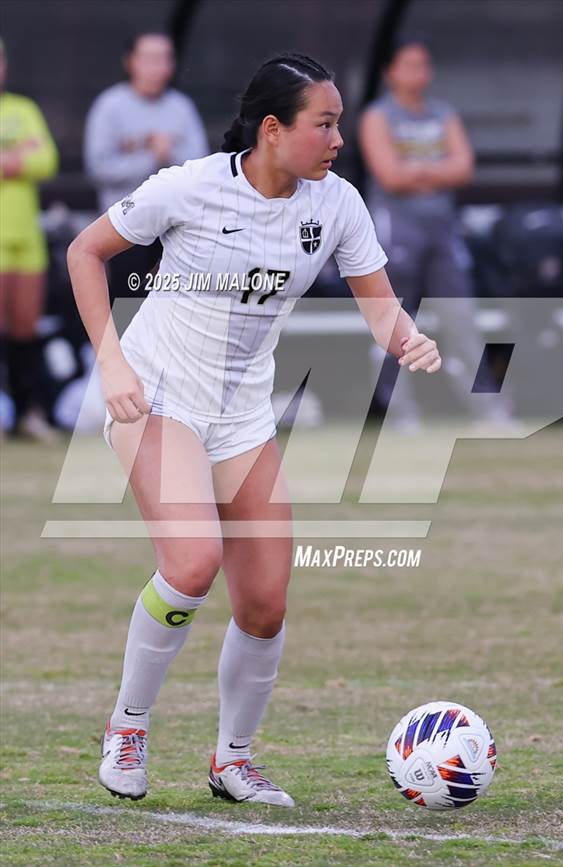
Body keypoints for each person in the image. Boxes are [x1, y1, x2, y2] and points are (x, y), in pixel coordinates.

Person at [67, 53, 442, 808]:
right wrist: (111, 364)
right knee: (194, 559)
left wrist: (406, 339)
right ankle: (129, 727)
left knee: (266, 602)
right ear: (273, 130)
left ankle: (232, 760)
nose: (338, 139)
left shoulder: (335, 203)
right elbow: (86, 252)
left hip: (242, 413)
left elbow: (378, 304)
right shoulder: (190, 186)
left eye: (339, 122)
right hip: (158, 394)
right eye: (324, 124)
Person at [360, 39, 505, 427]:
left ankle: (488, 410)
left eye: (424, 64)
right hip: (397, 233)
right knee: (394, 321)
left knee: (461, 321)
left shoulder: (443, 114)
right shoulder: (378, 116)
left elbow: (463, 167)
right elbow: (389, 175)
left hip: (443, 232)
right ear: (390, 71)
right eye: (409, 64)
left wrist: (417, 172)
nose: (418, 73)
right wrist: (435, 171)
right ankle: (400, 414)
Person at [84, 31, 208, 300]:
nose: (157, 67)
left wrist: (166, 153)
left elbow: (201, 164)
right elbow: (99, 167)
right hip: (123, 228)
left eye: (164, 59)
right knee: (128, 303)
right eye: (150, 58)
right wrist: (149, 156)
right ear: (130, 62)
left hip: (176, 229)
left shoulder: (181, 107)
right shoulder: (110, 106)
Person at [0, 38, 59, 441]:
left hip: (27, 239)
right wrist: (20, 155)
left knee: (25, 328)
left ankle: (28, 413)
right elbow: (29, 157)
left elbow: (46, 161)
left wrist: (15, 160)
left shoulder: (23, 109)